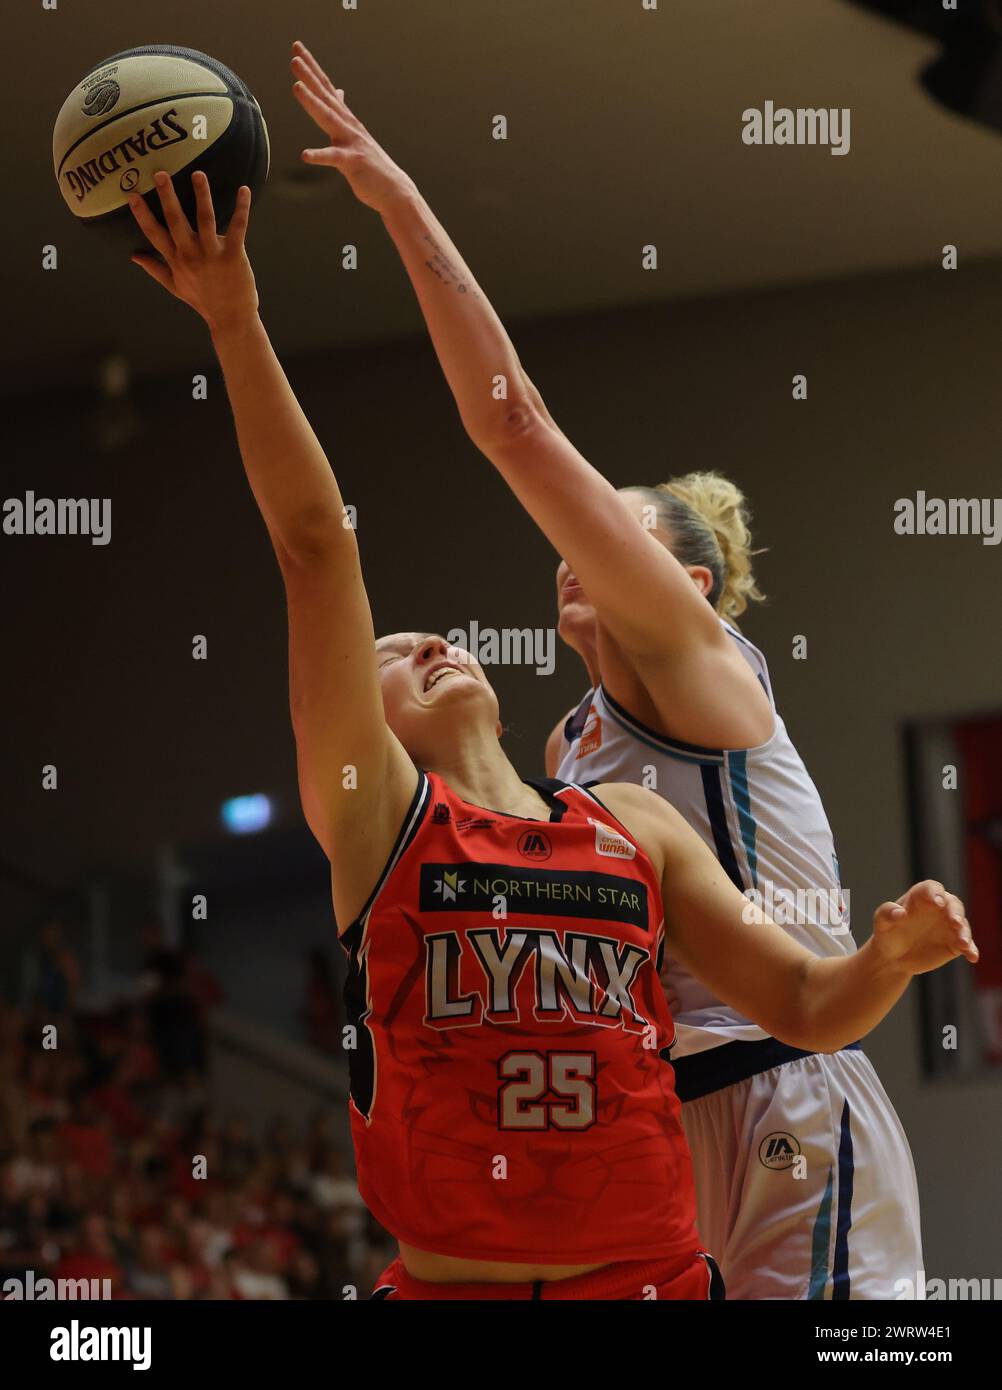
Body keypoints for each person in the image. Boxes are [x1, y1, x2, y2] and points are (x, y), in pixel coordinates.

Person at [126, 165, 976, 1301]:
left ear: (688, 581)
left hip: (778, 1101)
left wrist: (389, 211)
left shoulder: (689, 698)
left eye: (610, 525)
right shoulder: (536, 777)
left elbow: (512, 424)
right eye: (397, 650)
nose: (570, 541)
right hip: (644, 1151)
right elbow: (315, 548)